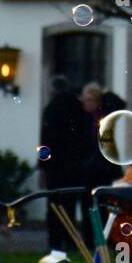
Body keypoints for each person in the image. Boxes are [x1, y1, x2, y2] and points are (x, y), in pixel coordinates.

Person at [39, 75, 84, 252]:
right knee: (71, 206)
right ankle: (71, 240)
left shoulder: (50, 110)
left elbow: (45, 141)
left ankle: (55, 241)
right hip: (73, 165)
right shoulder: (78, 108)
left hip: (54, 167)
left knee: (54, 206)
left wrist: (43, 165)